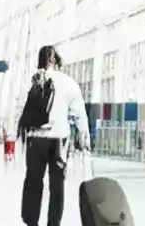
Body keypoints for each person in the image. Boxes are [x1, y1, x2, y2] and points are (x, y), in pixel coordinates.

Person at [21, 45, 90, 226]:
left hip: (36, 139)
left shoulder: (32, 81)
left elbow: (22, 113)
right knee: (57, 185)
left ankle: (31, 221)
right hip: (59, 140)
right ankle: (53, 223)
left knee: (33, 182)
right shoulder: (68, 83)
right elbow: (79, 115)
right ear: (56, 60)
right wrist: (85, 142)